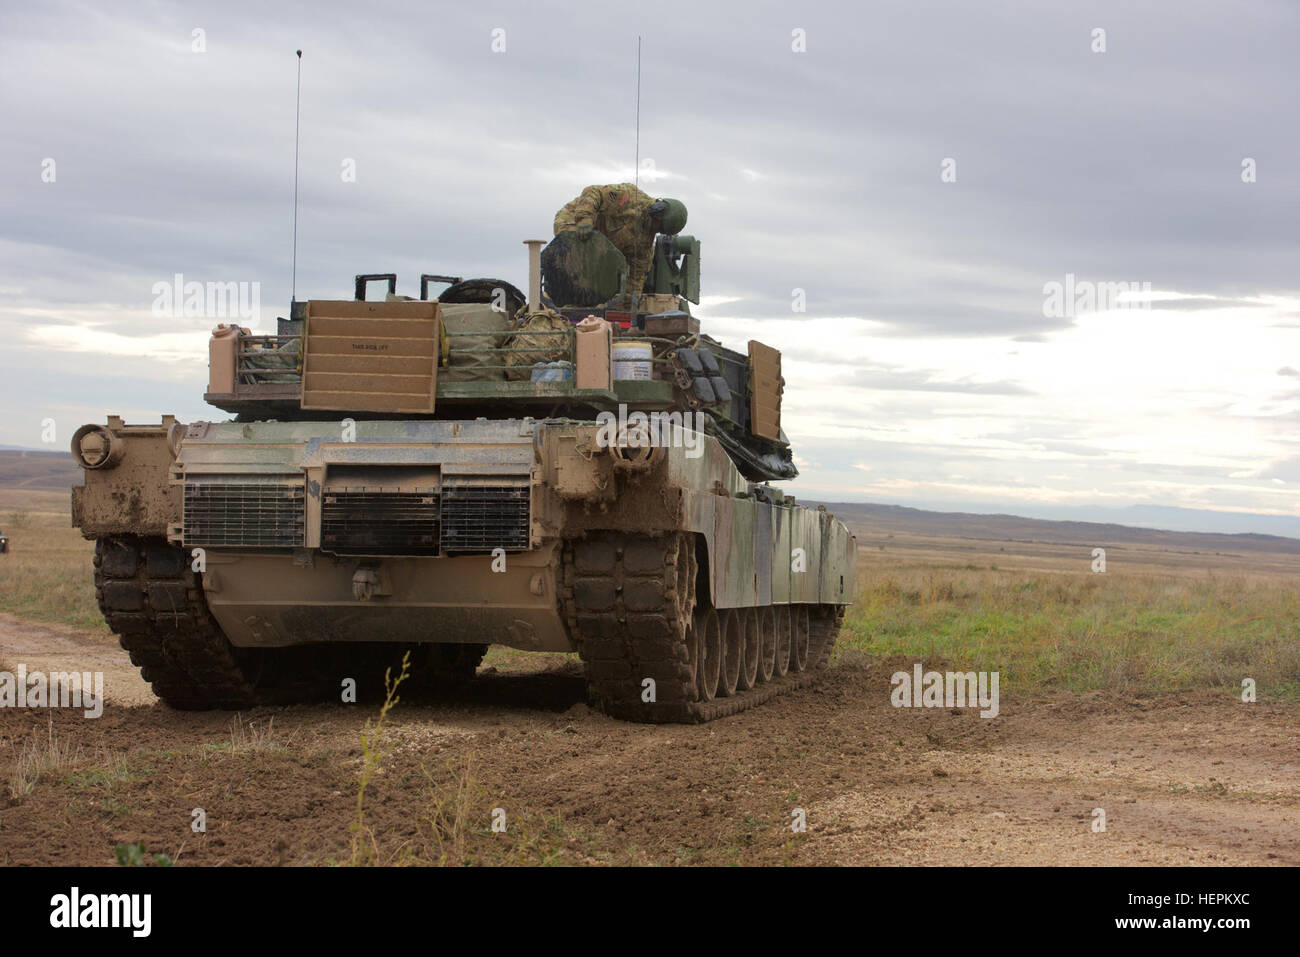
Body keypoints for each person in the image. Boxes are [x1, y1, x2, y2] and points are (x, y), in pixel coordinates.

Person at [553, 184, 687, 305]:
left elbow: (634, 281)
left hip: (600, 247)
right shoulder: (629, 198)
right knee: (581, 255)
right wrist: (584, 220)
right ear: (658, 211)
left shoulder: (644, 247)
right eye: (658, 225)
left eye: (660, 230)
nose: (654, 229)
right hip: (573, 221)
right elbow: (593, 192)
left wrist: (623, 307)